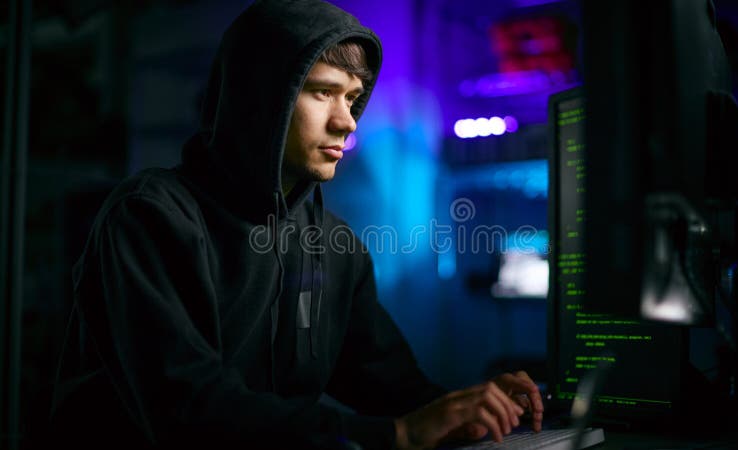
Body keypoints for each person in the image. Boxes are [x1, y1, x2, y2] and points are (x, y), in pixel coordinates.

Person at [45, 1, 544, 449]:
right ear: (260, 99)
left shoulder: (335, 245)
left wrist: (470, 407)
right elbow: (187, 409)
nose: (347, 121)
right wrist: (396, 436)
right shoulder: (148, 216)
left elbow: (393, 386)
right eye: (324, 92)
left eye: (352, 99)